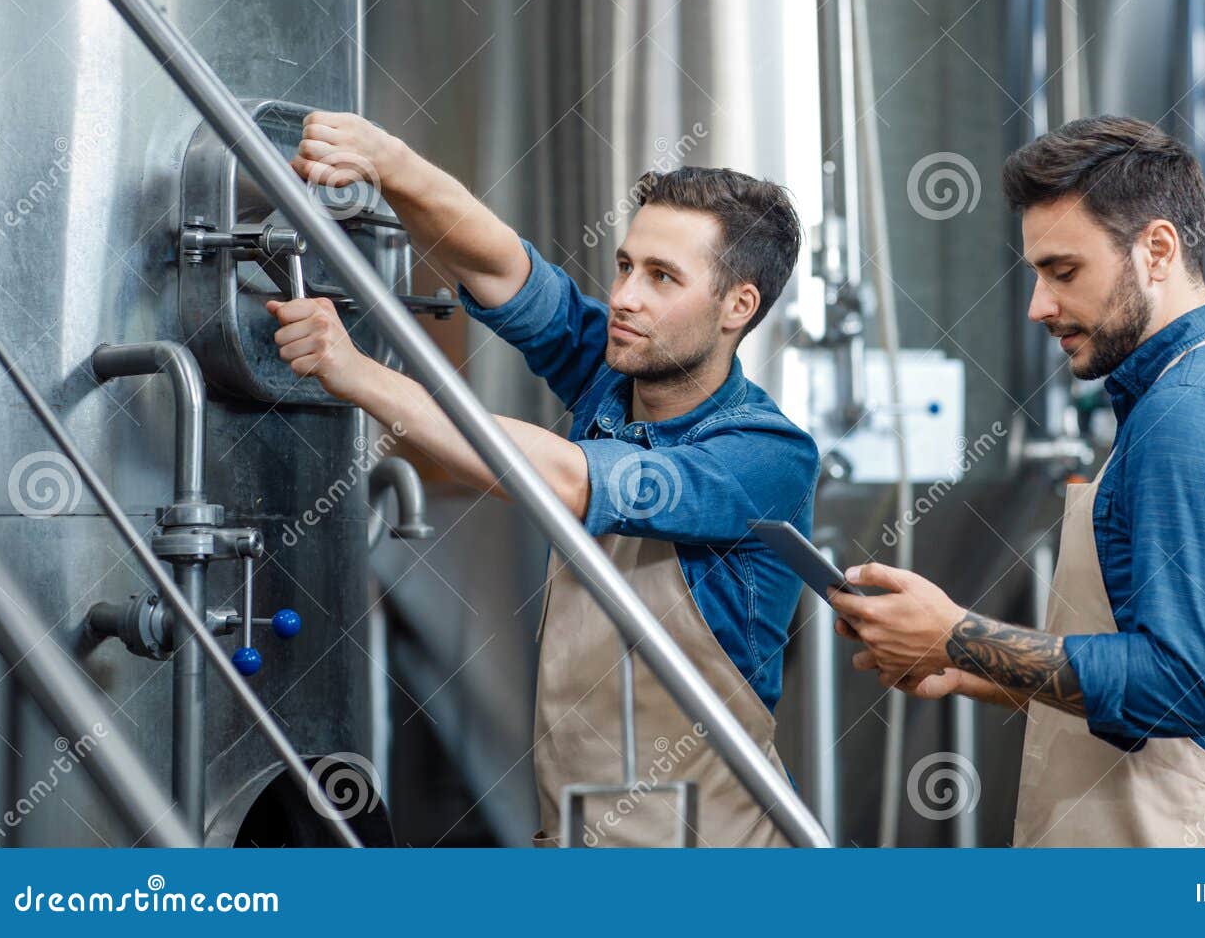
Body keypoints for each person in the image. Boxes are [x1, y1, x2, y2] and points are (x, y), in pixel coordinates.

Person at [267, 113, 818, 847]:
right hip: (575, 833)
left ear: (738, 306)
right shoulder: (614, 375)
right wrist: (390, 161)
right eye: (626, 265)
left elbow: (568, 480)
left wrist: (359, 374)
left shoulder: (765, 453)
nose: (624, 296)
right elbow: (498, 266)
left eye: (662, 278)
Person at [831, 116, 1205, 847]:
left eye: (1063, 271)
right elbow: (1142, 685)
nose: (1039, 306)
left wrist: (959, 635)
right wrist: (963, 664)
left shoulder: (1191, 414)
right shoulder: (1183, 393)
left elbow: (1183, 684)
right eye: (1036, 274)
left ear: (1157, 249)